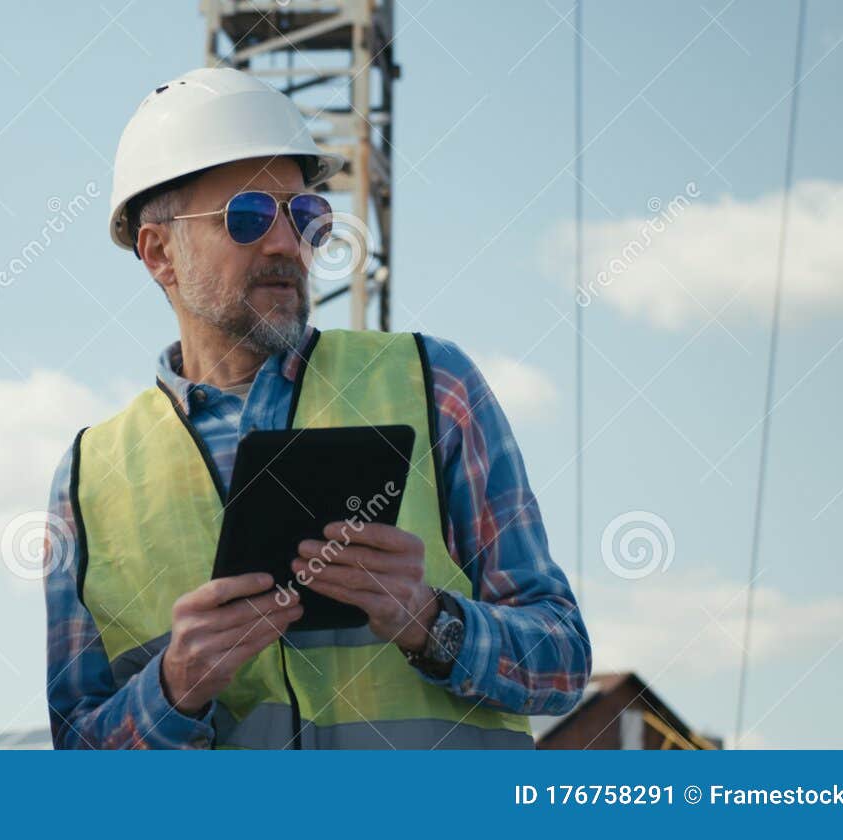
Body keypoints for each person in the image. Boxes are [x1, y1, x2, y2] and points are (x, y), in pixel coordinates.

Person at [43, 68, 590, 749]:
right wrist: (175, 686)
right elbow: (78, 753)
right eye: (247, 216)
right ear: (159, 253)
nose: (286, 244)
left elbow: (563, 660)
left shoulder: (434, 384)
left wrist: (429, 622)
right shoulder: (90, 480)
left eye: (305, 216)